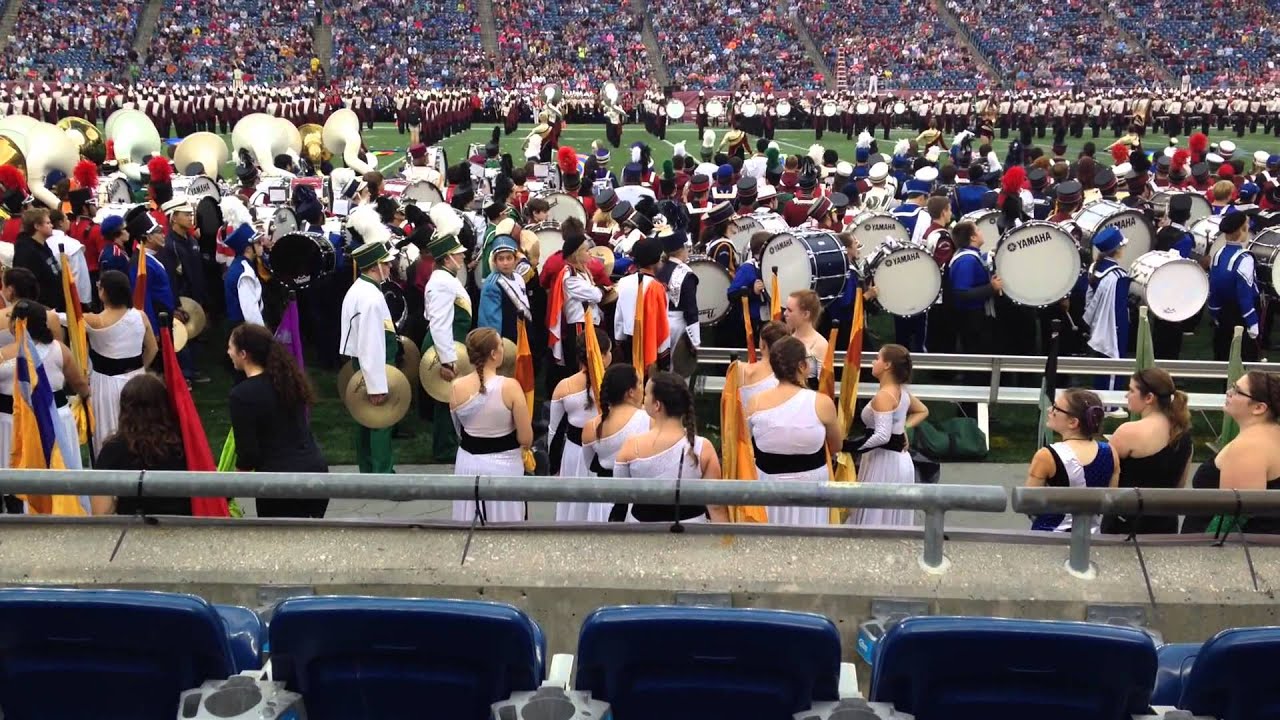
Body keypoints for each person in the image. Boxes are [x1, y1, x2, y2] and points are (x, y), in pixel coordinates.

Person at [227, 324, 329, 518]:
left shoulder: (241, 396)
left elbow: (248, 456)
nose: (228, 352)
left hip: (279, 483)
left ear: (243, 354)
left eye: (230, 347)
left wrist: (226, 491)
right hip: (316, 473)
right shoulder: (289, 381)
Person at [746, 335, 841, 526]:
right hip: (807, 485)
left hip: (772, 485)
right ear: (802, 366)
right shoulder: (822, 403)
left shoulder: (755, 402)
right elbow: (836, 445)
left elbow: (746, 443)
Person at [615, 371, 729, 524]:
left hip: (642, 534)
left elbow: (619, 497)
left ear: (657, 405)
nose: (643, 398)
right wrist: (725, 544)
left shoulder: (631, 446)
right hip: (692, 532)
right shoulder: (703, 447)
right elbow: (716, 507)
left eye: (647, 394)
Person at [449, 328, 533, 523]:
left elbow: (459, 429)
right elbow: (526, 438)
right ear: (494, 354)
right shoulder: (510, 387)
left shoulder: (455, 387)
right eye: (501, 345)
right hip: (504, 468)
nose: (504, 348)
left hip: (468, 464)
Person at [1183, 371, 1280, 535]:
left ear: (1259, 408)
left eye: (1237, 390)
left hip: (1222, 553)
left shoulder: (1248, 448)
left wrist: (1199, 553)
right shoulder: (1271, 435)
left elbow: (1232, 519)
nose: (1228, 392)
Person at [0, 300, 90, 477]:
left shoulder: (4, 355)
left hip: (23, 421)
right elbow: (79, 384)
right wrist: (86, 395)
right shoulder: (60, 349)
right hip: (29, 419)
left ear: (16, 323)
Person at [845, 344, 930, 527]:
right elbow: (922, 411)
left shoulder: (884, 396)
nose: (873, 362)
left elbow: (882, 435)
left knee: (876, 514)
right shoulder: (902, 392)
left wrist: (849, 447)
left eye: (877, 358)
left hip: (884, 463)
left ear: (887, 365)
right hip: (896, 460)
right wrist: (903, 428)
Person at [1101, 368, 1193, 535]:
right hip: (1165, 524)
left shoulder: (1129, 431)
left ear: (1149, 398)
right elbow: (1179, 484)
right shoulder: (1184, 434)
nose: (1126, 395)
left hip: (1126, 523)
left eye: (1131, 390)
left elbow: (1104, 477)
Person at [339, 239, 399, 474]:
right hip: (376, 366)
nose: (390, 267)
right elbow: (371, 345)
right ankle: (383, 475)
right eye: (386, 263)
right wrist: (377, 385)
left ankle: (368, 470)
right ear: (375, 266)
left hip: (363, 364)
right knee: (380, 421)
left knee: (364, 420)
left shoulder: (360, 290)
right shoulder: (371, 298)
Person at [1025, 388, 1119, 532]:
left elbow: (1029, 503)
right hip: (1092, 536)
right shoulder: (1110, 452)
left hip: (1049, 536)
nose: (1050, 409)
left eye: (1056, 407)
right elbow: (1110, 501)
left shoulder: (1046, 455)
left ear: (1073, 422)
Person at [84, 270, 157, 455]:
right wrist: (139, 369)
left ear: (104, 292)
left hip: (105, 384)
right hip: (136, 379)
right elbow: (153, 348)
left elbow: (60, 318)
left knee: (108, 426)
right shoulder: (141, 316)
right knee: (141, 425)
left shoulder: (94, 320)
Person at [96, 374, 190, 516]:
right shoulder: (183, 444)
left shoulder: (113, 448)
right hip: (182, 529)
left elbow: (101, 511)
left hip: (133, 530)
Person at [551, 329, 613, 522]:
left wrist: (553, 465)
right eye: (609, 351)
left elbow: (553, 432)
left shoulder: (564, 386)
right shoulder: (615, 385)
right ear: (601, 355)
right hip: (595, 453)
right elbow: (554, 429)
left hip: (586, 454)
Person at [423, 228, 471, 461]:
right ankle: (445, 449)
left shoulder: (444, 278)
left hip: (449, 344)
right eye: (458, 253)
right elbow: (440, 323)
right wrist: (447, 360)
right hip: (443, 346)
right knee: (445, 399)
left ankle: (449, 443)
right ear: (447, 258)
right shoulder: (442, 282)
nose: (463, 256)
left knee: (450, 398)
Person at [582, 363, 650, 522]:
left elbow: (591, 465)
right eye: (640, 383)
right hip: (634, 499)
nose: (643, 388)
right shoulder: (648, 420)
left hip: (603, 498)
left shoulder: (591, 426)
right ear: (630, 392)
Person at [1083, 226, 1131, 397]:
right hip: (1114, 325)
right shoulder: (1118, 276)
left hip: (1099, 322)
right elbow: (1117, 307)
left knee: (1102, 361)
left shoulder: (1095, 268)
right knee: (1113, 361)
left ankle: (1101, 396)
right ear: (1117, 250)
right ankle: (1110, 404)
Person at [1207, 211, 1260, 361]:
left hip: (1223, 311)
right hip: (1240, 315)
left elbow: (1214, 287)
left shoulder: (1218, 254)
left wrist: (1214, 311)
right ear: (1242, 231)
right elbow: (1245, 294)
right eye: (1247, 226)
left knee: (1223, 352)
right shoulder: (1245, 258)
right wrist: (1252, 321)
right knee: (1244, 356)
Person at [12, 208, 65, 313]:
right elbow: (26, 285)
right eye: (48, 223)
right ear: (37, 226)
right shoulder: (26, 252)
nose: (52, 226)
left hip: (56, 306)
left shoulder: (43, 245)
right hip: (43, 310)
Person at [222, 223, 264, 328]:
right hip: (244, 328)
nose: (261, 245)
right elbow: (251, 313)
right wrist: (263, 335)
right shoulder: (245, 273)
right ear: (248, 249)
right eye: (258, 243)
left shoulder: (240, 263)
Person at [784, 289, 828, 390]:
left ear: (805, 314)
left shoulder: (820, 344)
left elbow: (824, 384)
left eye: (790, 310)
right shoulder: (785, 339)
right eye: (785, 309)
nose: (785, 313)